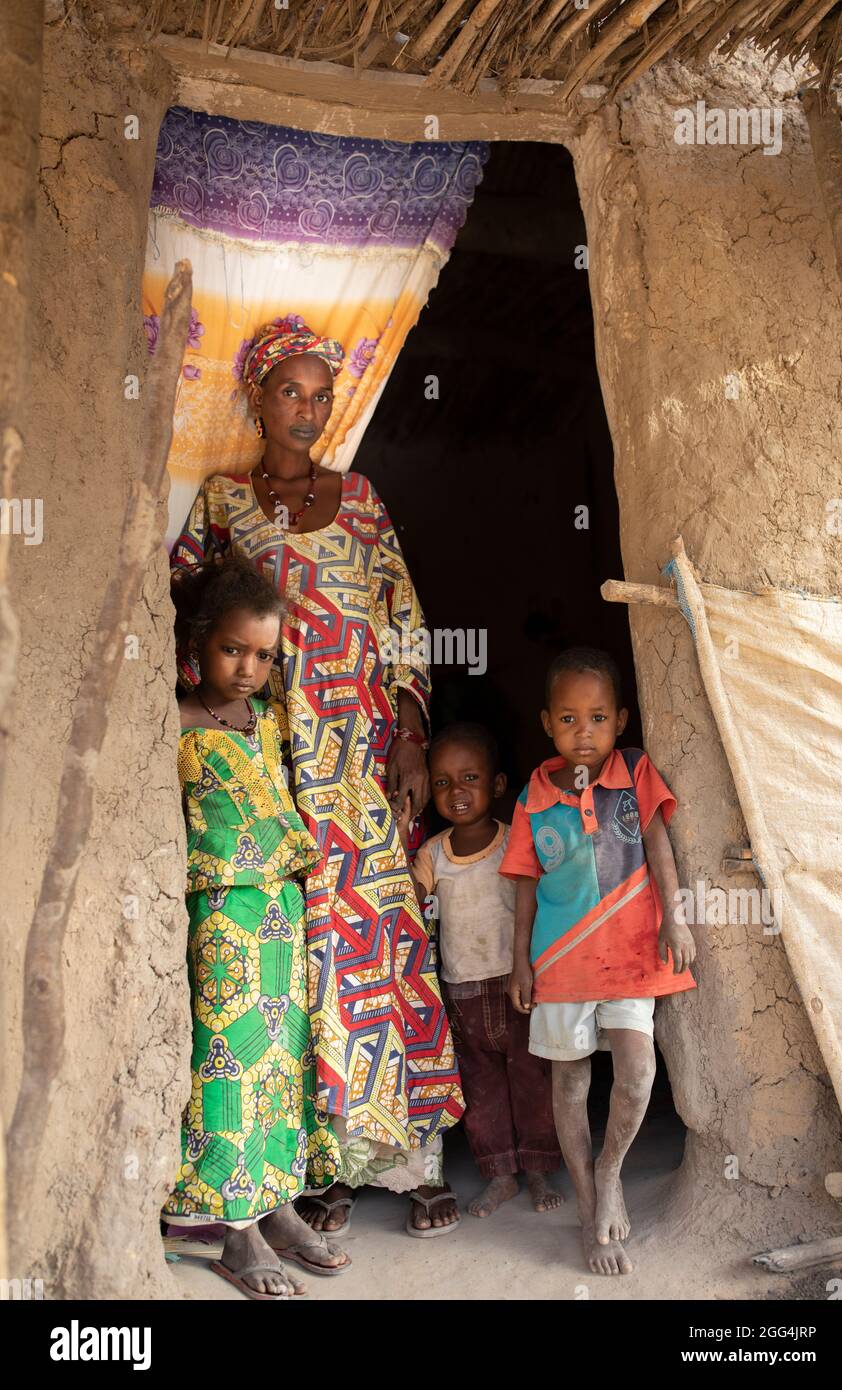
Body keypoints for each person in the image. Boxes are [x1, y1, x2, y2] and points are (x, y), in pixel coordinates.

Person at [171, 319, 464, 1236]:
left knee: (384, 950)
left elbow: (404, 617)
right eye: (289, 393)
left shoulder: (364, 500)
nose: (307, 410)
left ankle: (414, 1163)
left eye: (320, 395)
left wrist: (411, 735)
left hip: (365, 763)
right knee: (304, 962)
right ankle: (320, 1170)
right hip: (272, 762)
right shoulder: (222, 505)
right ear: (255, 399)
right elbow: (183, 604)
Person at [163, 557, 350, 1299]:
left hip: (281, 914)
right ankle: (233, 1232)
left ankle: (274, 1207)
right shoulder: (174, 720)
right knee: (227, 1068)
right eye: (232, 649)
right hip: (220, 919)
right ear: (199, 643)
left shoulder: (268, 720)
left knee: (280, 1068)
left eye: (263, 655)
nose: (247, 668)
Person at [502, 647, 696, 1276]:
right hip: (560, 958)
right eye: (567, 719)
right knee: (570, 1080)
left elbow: (657, 845)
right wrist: (520, 962)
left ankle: (609, 1171)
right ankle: (589, 1207)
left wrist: (675, 913)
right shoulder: (532, 797)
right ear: (546, 723)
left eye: (597, 718)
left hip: (633, 950)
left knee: (638, 1069)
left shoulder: (634, 773)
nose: (582, 732)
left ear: (620, 720)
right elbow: (525, 883)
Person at [400, 723, 562, 1221]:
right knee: (481, 1087)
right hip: (462, 992)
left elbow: (543, 906)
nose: (456, 791)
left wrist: (529, 971)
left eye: (469, 777)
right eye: (443, 782)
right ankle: (500, 1175)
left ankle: (537, 1168)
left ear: (496, 785)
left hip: (516, 985)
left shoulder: (517, 844)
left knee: (532, 1079)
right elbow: (412, 896)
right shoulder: (433, 853)